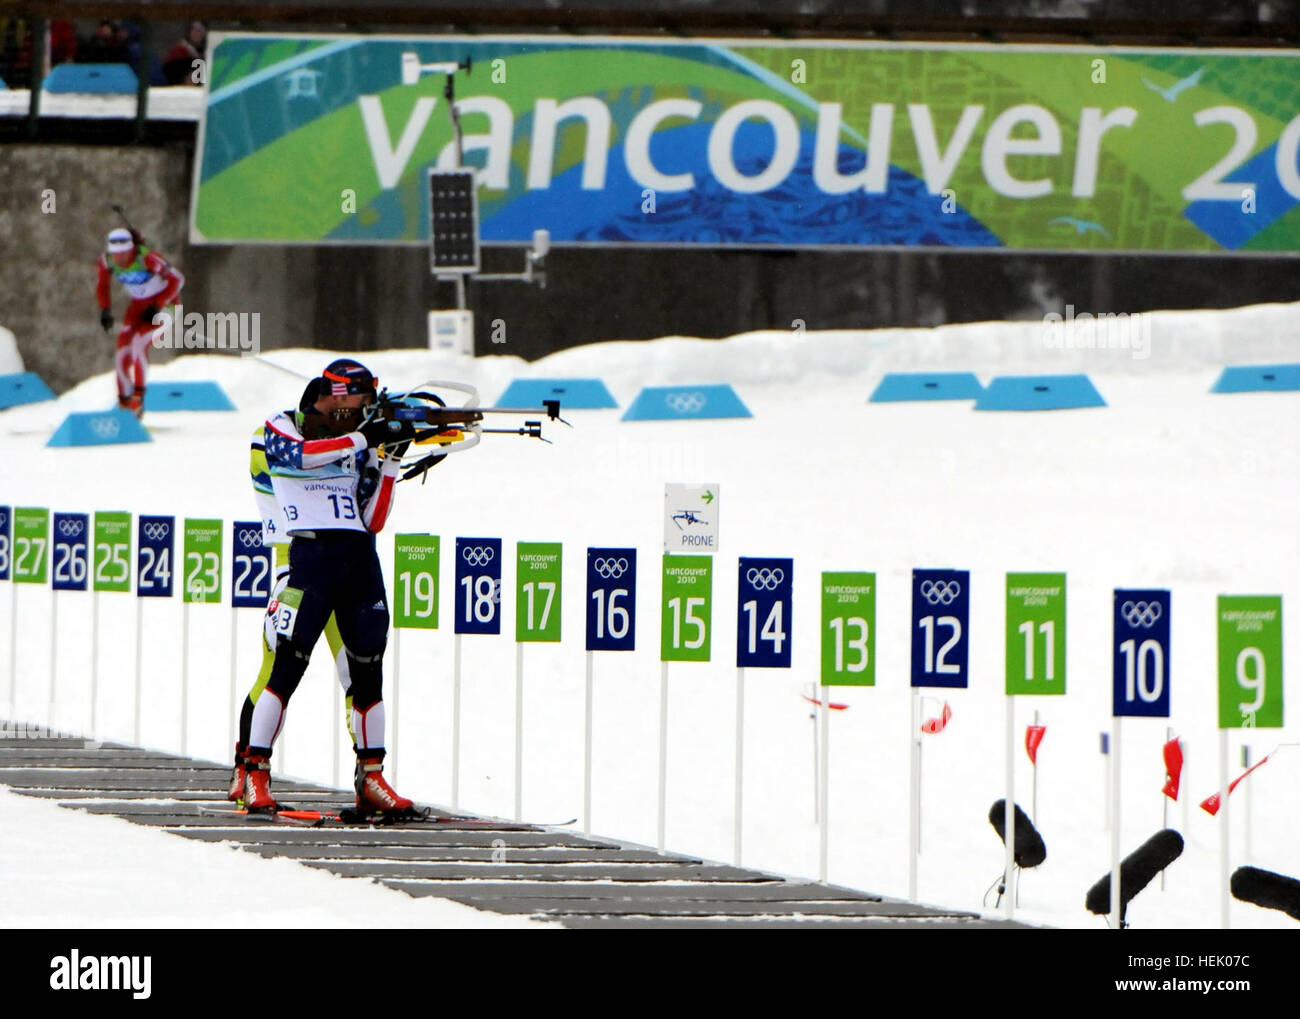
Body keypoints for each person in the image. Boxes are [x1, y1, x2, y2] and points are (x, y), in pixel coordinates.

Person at [242, 358, 420, 816]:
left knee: (368, 675)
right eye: (361, 400)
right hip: (309, 561)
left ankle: (372, 778)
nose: (366, 409)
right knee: (285, 668)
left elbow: (373, 519)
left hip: (359, 561)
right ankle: (253, 774)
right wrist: (365, 438)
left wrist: (390, 462)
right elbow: (298, 456)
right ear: (335, 397)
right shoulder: (280, 427)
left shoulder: (359, 444)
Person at [228, 422, 356, 803]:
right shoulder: (272, 437)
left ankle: (367, 777)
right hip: (295, 570)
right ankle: (246, 768)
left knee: (355, 673)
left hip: (346, 569)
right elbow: (290, 454)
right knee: (274, 672)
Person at [95, 226, 183, 417]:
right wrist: (105, 309)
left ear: (131, 249)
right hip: (138, 307)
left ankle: (138, 398)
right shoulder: (107, 260)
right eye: (115, 254)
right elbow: (102, 284)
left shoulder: (147, 259)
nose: (119, 259)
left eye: (123, 254)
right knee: (121, 352)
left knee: (139, 344)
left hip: (166, 307)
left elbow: (177, 280)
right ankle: (124, 402)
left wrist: (159, 304)